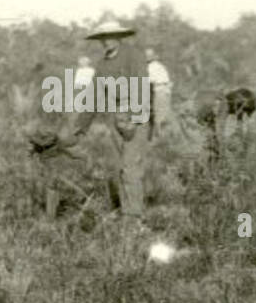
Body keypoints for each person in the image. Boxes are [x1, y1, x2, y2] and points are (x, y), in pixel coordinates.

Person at [63, 20, 150, 222]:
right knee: (120, 167)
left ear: (119, 37)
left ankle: (134, 216)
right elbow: (94, 95)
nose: (107, 41)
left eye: (111, 36)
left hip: (134, 114)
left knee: (130, 167)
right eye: (103, 38)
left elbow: (141, 83)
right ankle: (127, 210)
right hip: (114, 115)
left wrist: (134, 118)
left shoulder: (133, 55)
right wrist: (81, 127)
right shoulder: (102, 64)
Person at [144, 47, 175, 141]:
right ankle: (161, 139)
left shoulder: (151, 66)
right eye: (146, 55)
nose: (147, 57)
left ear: (153, 56)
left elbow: (149, 82)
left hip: (160, 91)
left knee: (159, 118)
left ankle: (160, 141)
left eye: (149, 55)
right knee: (162, 116)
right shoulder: (159, 65)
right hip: (164, 91)